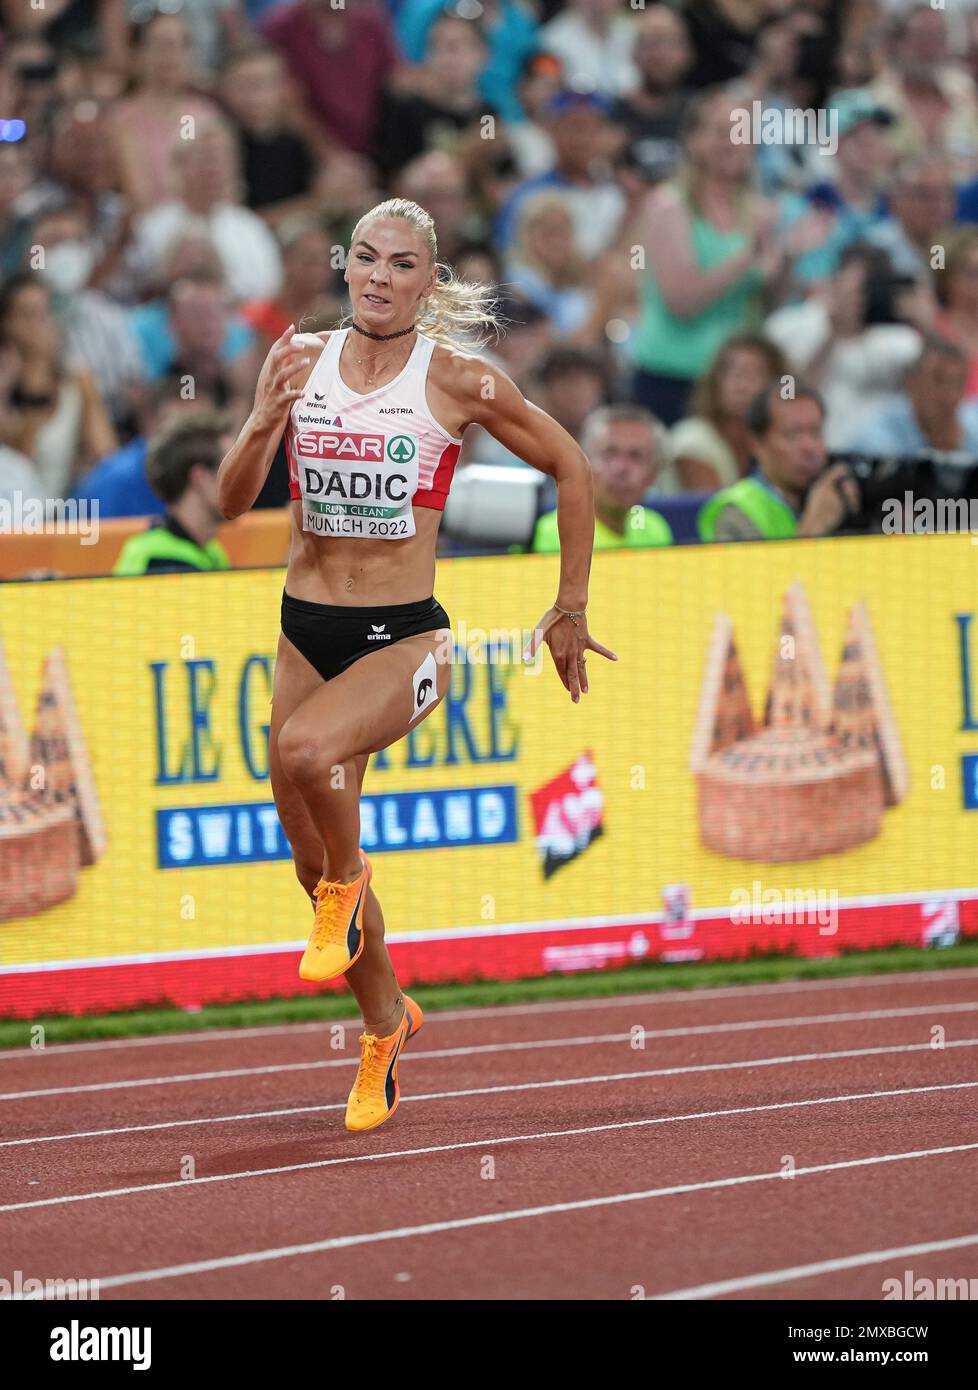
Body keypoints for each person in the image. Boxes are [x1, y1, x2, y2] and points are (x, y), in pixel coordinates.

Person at [216, 196, 616, 1132]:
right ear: (344, 266)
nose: (381, 278)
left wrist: (569, 605)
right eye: (366, 258)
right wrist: (262, 420)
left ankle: (349, 887)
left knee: (309, 758)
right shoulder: (296, 361)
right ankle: (384, 1024)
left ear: (426, 282)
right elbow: (233, 505)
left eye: (402, 264)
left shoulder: (459, 381)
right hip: (302, 629)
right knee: (307, 861)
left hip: (406, 636)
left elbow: (571, 467)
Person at [0, 272, 117, 502]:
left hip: (64, 512)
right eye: (27, 315)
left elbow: (106, 457)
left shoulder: (78, 382)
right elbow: (18, 470)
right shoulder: (2, 388)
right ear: (6, 325)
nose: (39, 325)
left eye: (45, 313)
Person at [697, 384, 860, 542]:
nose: (809, 448)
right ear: (756, 445)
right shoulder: (735, 511)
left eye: (815, 433)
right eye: (792, 435)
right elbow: (754, 571)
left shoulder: (839, 496)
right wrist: (813, 528)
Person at [531, 404, 672, 551]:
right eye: (609, 453)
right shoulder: (553, 534)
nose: (621, 468)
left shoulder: (655, 528)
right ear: (583, 464)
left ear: (653, 474)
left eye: (636, 456)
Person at [665, 331, 787, 493]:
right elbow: (717, 513)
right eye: (732, 373)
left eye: (753, 375)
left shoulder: (772, 443)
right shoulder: (693, 441)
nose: (740, 386)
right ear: (715, 381)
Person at [113, 412, 232, 576]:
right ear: (201, 478)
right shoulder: (160, 562)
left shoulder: (211, 551)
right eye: (232, 469)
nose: (243, 478)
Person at [844, 334, 978, 455]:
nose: (950, 395)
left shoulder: (972, 425)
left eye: (959, 383)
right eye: (939, 380)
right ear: (911, 384)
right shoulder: (878, 438)